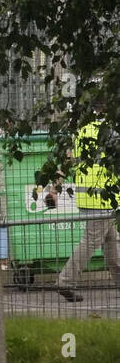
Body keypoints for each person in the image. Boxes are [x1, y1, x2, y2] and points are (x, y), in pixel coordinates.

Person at [56, 118, 120, 302]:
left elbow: (67, 161)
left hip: (90, 198)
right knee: (91, 241)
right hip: (105, 199)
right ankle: (65, 281)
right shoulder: (112, 131)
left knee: (113, 243)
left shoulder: (81, 131)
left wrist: (54, 187)